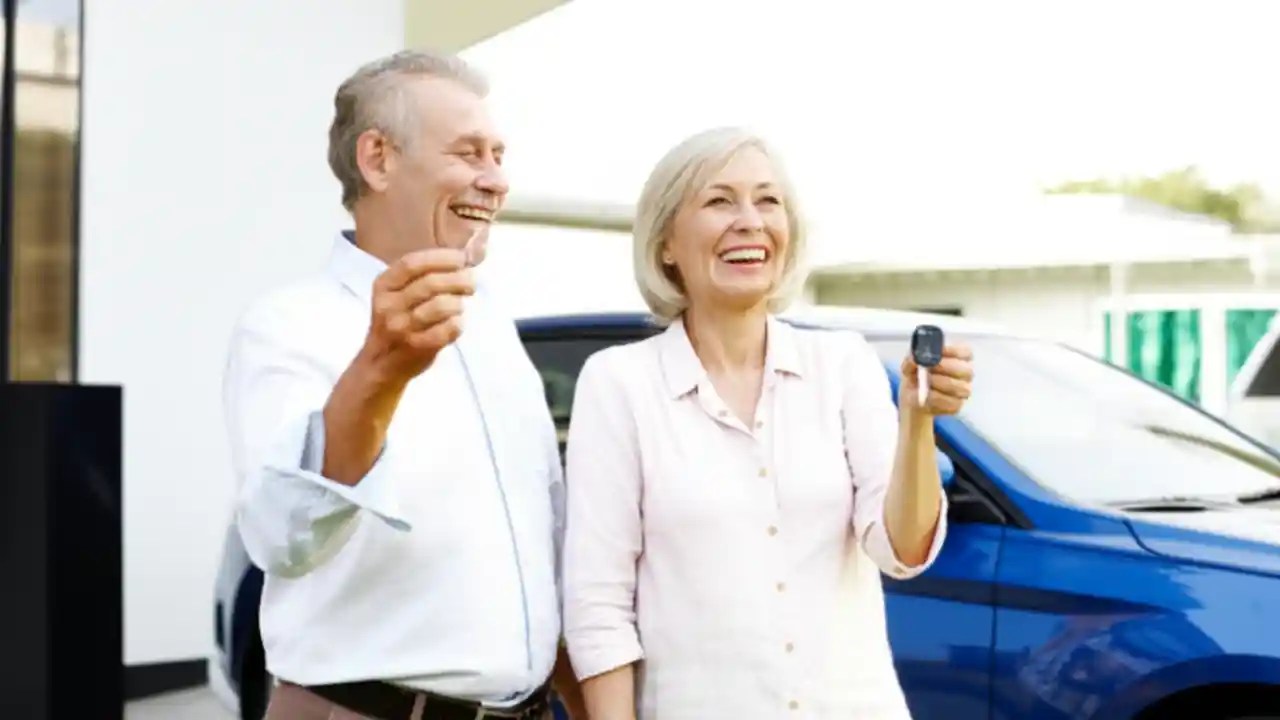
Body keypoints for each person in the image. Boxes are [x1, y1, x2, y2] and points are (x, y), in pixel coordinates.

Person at [560, 127, 975, 719]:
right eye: (719, 201)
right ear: (666, 244)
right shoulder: (619, 383)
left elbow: (902, 550)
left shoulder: (842, 363)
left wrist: (918, 420)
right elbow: (598, 606)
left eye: (768, 200)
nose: (750, 221)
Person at [223, 49, 583, 720]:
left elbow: (541, 544)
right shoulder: (288, 323)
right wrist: (380, 369)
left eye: (498, 155)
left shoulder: (494, 331)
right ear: (378, 159)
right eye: (469, 153)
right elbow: (281, 535)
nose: (495, 180)